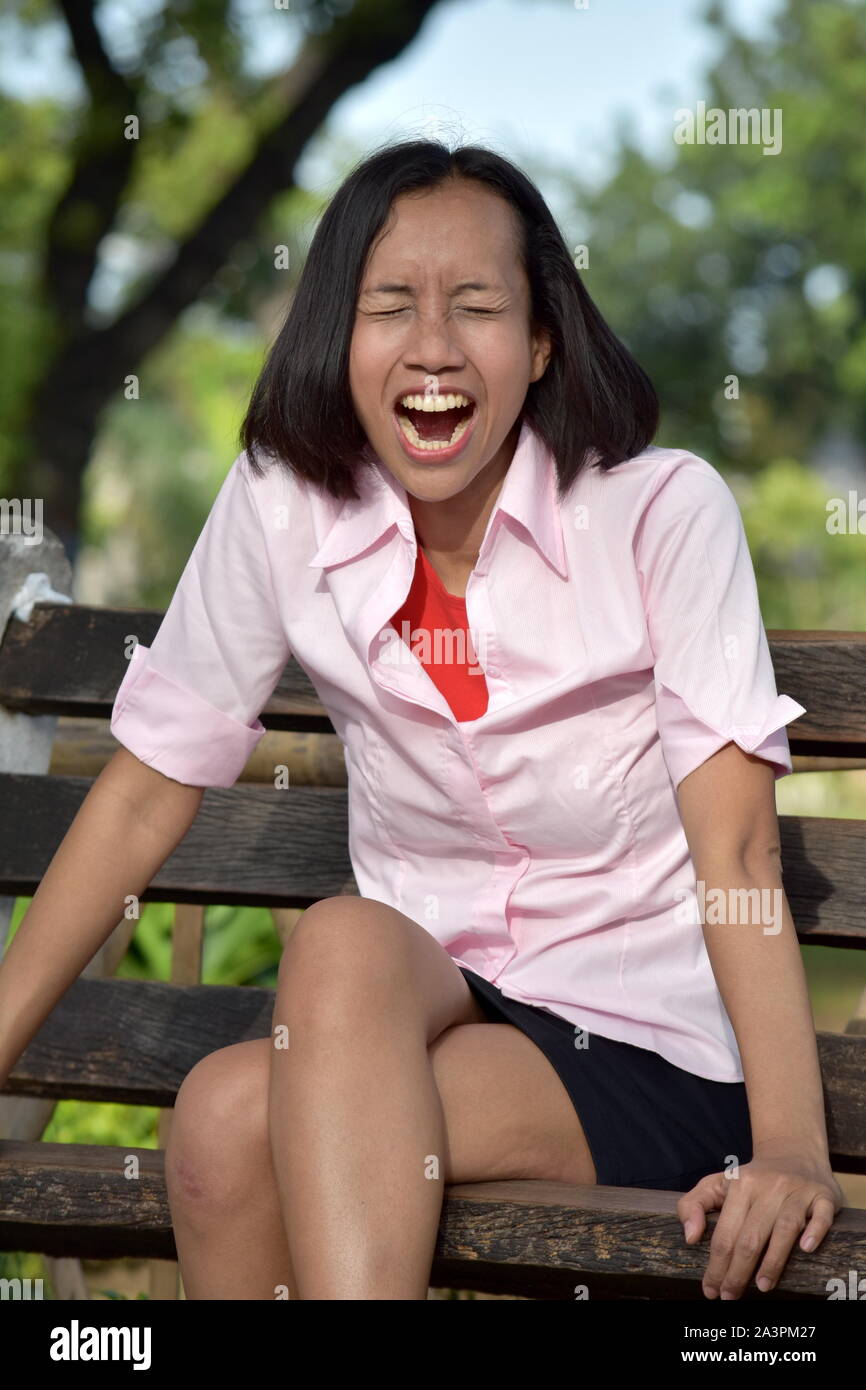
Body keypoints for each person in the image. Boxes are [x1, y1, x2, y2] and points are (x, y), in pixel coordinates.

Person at [0, 139, 842, 1302]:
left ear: (539, 340)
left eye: (477, 306)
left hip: (643, 1042)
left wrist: (793, 1145)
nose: (433, 347)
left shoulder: (659, 511)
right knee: (299, 1001)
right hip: (410, 1007)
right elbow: (147, 788)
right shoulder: (284, 501)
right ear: (335, 336)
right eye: (388, 304)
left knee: (233, 1120)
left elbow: (739, 848)